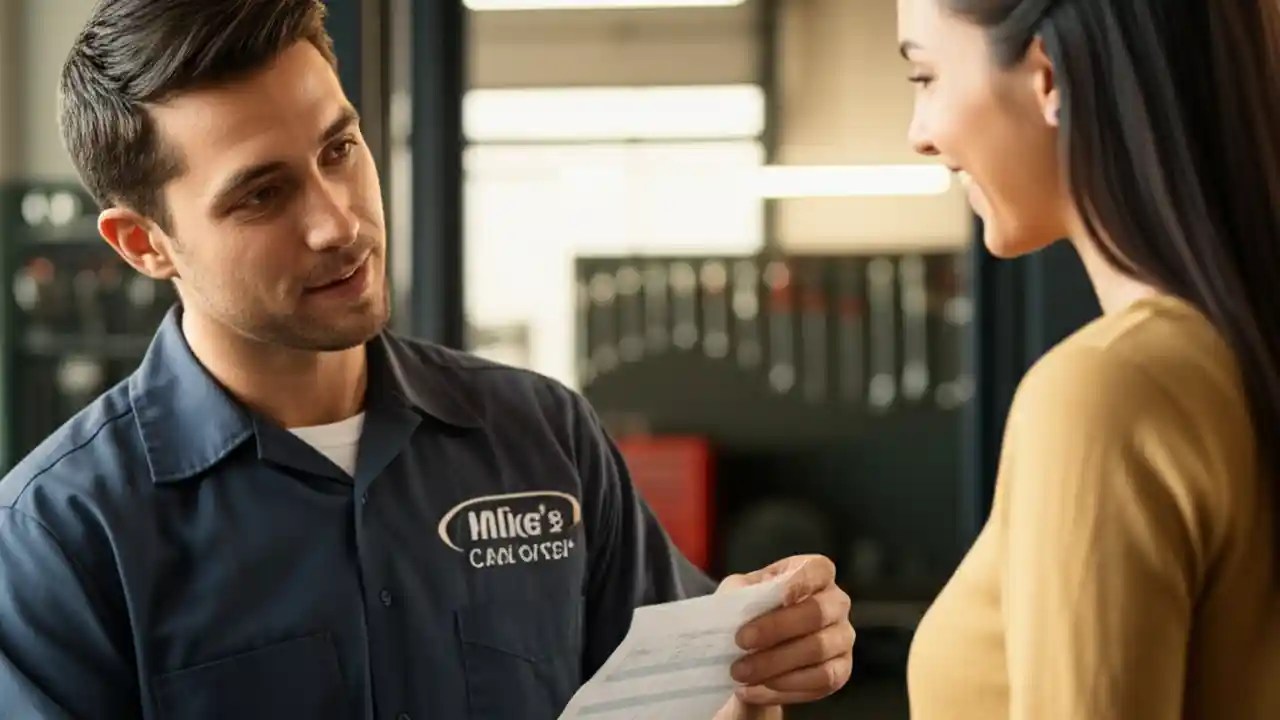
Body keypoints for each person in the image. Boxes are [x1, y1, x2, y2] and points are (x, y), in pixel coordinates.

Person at [0, 2, 855, 718]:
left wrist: (761, 658)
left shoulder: (541, 436)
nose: (338, 222)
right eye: (262, 193)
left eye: (339, 150)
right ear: (144, 243)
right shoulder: (61, 538)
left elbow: (686, 702)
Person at [897, 0, 1280, 717]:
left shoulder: (1104, 394)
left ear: (1050, 77)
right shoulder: (1226, 360)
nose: (919, 134)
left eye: (925, 77)